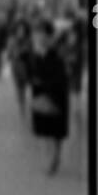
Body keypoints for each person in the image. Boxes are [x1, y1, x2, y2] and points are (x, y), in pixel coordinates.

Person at [28, 19, 70, 174]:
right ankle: (51, 159)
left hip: (56, 93)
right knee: (44, 129)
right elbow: (31, 71)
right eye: (36, 33)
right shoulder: (35, 52)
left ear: (49, 35)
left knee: (55, 130)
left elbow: (62, 75)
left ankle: (55, 157)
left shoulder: (57, 52)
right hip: (40, 94)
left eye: (42, 33)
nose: (38, 37)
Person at [7, 14, 32, 117]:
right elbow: (9, 55)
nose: (20, 31)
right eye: (19, 29)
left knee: (24, 87)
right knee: (19, 88)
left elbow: (31, 53)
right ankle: (22, 106)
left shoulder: (28, 40)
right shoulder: (12, 41)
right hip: (16, 68)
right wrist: (14, 53)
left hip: (27, 68)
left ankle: (23, 103)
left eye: (22, 29)